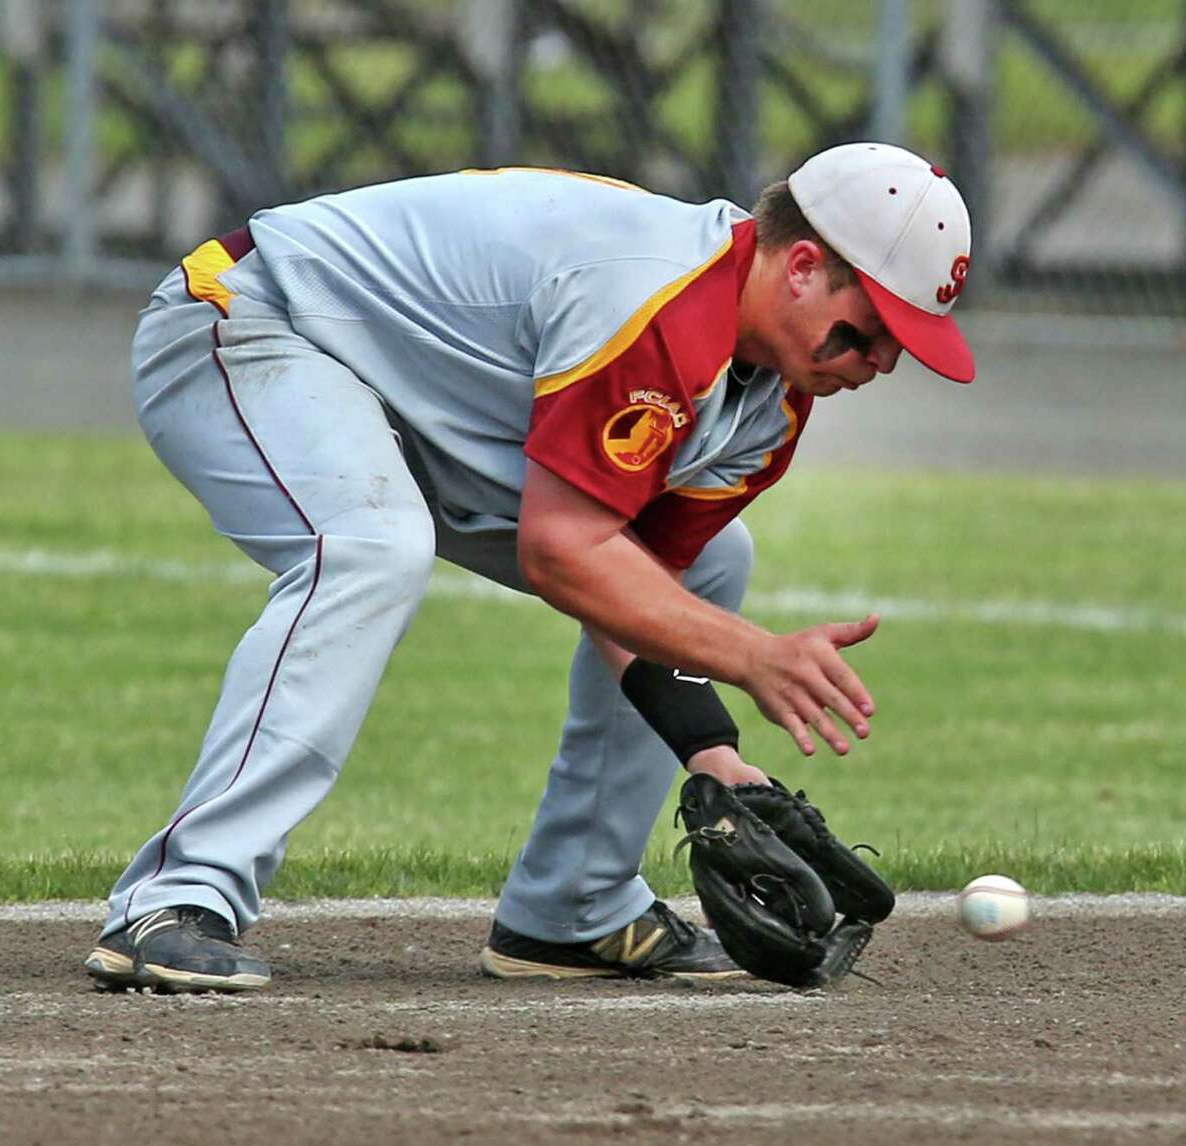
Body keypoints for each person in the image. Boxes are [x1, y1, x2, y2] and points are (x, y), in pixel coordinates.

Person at [85, 142, 973, 995]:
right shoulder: (656, 299)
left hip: (419, 410)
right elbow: (561, 553)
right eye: (874, 329)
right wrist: (749, 657)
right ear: (804, 266)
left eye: (903, 343)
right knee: (370, 544)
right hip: (252, 320)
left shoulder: (768, 401)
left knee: (705, 569)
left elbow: (628, 595)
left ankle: (572, 907)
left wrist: (717, 757)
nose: (884, 360)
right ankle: (176, 896)